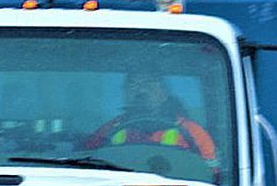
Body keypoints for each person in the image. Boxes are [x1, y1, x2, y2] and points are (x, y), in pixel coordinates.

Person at [83, 72, 218, 169]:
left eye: (149, 85)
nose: (141, 91)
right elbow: (85, 163)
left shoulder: (192, 132)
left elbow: (210, 175)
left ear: (164, 93)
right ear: (125, 94)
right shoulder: (108, 131)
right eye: (133, 85)